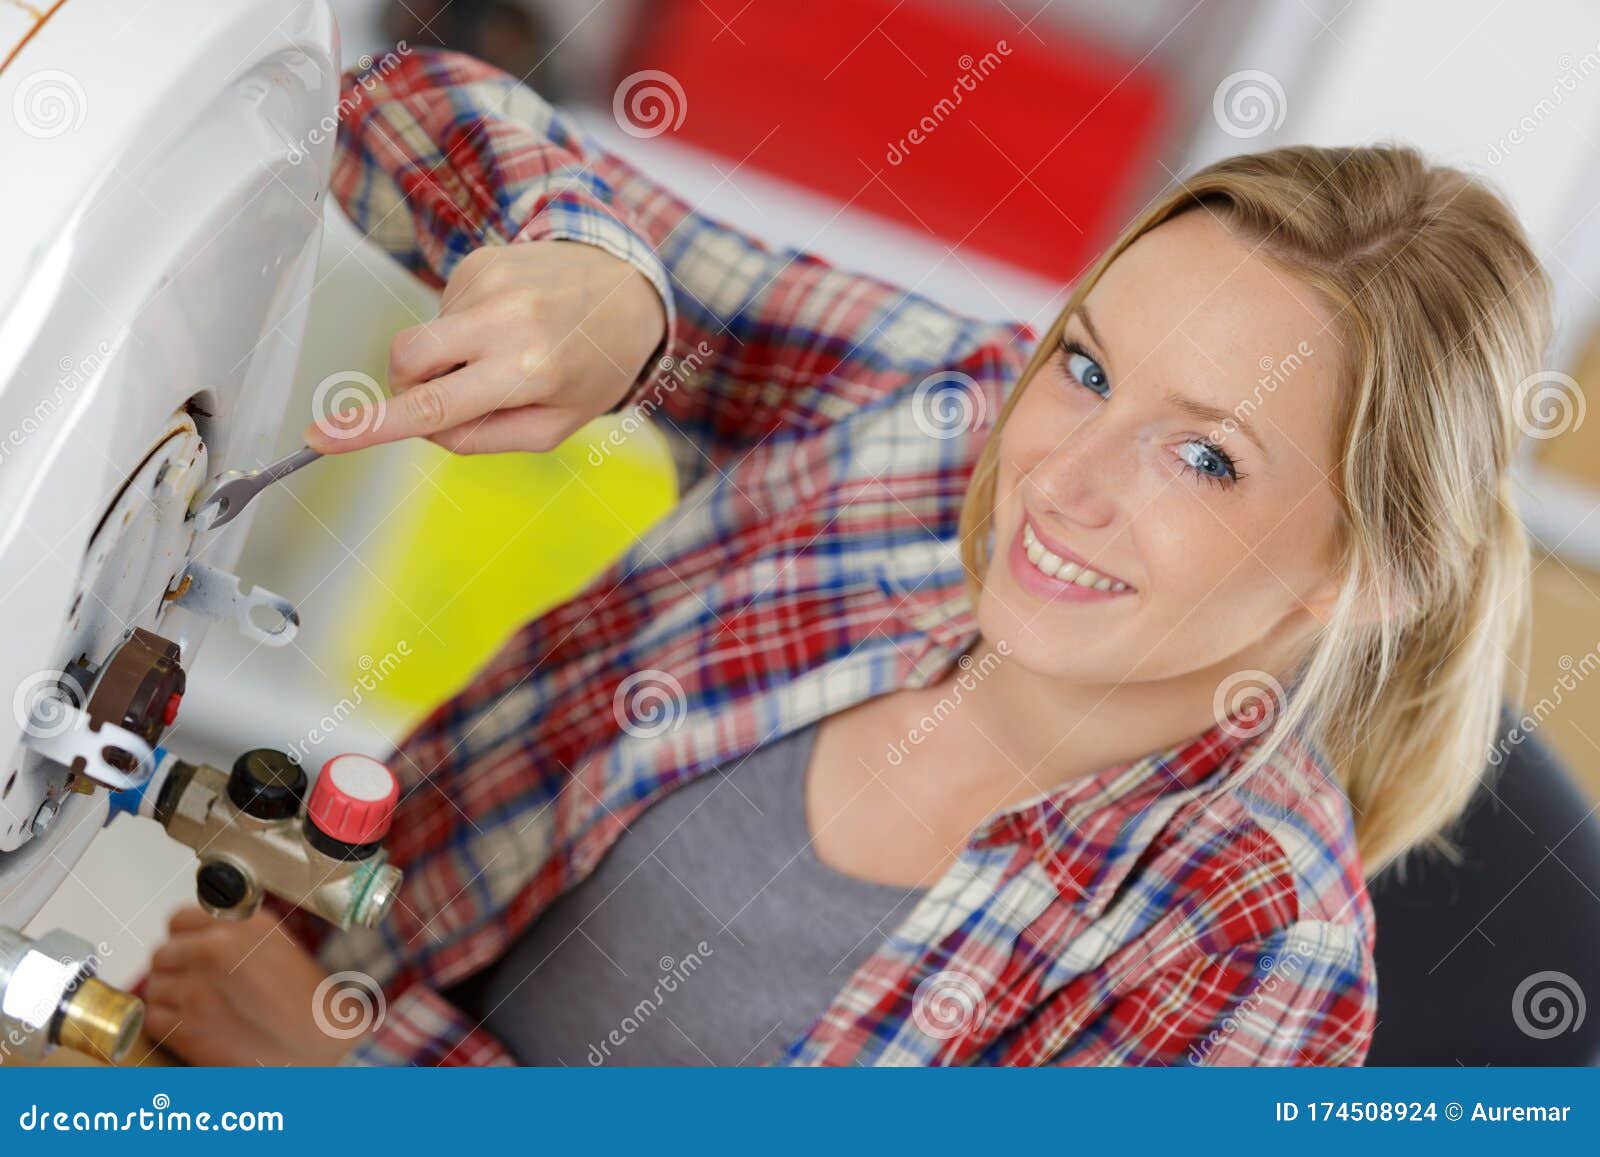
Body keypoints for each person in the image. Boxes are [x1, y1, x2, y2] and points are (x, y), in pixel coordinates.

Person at [140, 47, 1553, 1067]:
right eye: (1087, 367)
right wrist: (610, 283)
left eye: (1207, 458)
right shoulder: (935, 423)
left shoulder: (1250, 950)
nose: (1061, 480)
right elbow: (370, 106)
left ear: (1365, 577)